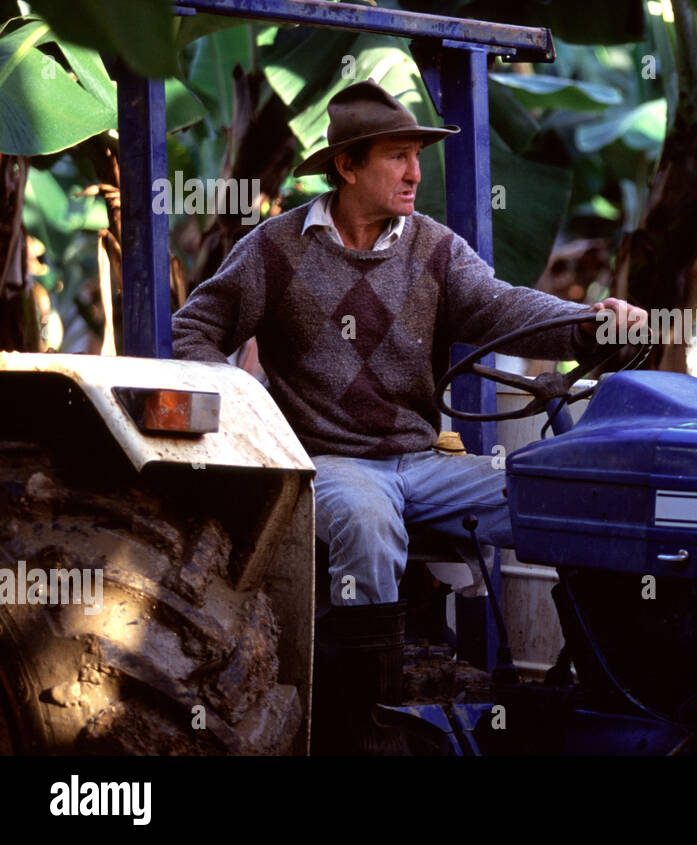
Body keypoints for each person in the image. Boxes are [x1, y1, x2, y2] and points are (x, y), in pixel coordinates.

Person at [172, 79, 644, 753]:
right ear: (347, 165)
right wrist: (252, 417)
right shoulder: (275, 249)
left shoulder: (435, 248)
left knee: (561, 498)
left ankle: (601, 694)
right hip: (331, 465)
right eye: (398, 156)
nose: (416, 172)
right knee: (367, 519)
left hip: (423, 463)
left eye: (417, 156)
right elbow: (194, 332)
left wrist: (592, 325)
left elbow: (504, 307)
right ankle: (373, 724)